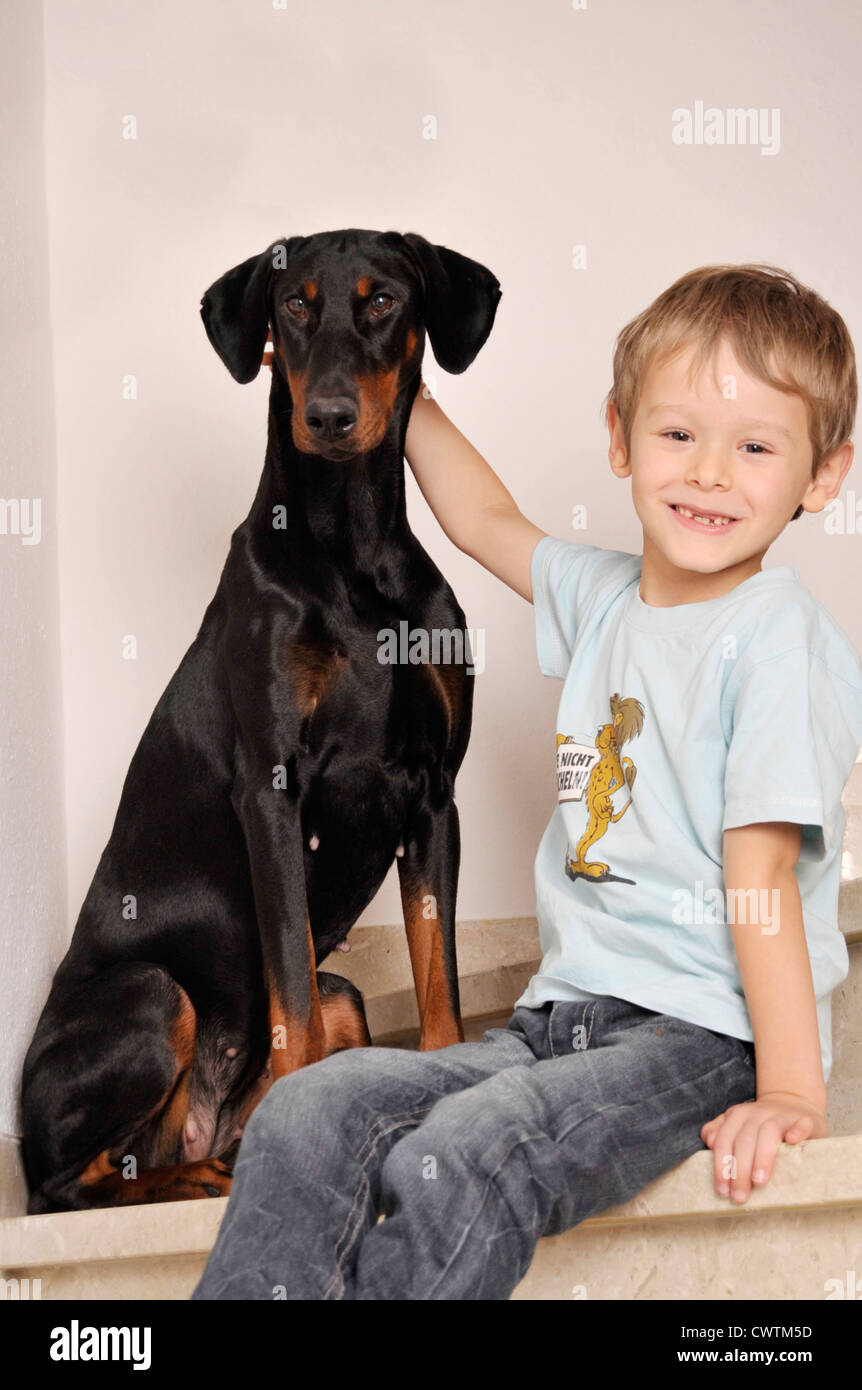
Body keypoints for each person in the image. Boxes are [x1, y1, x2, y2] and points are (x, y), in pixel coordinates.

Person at [192, 263, 862, 1301]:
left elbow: (761, 877)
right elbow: (480, 514)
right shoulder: (605, 600)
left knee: (471, 1146)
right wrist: (384, 366)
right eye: (678, 434)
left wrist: (786, 1086)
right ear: (620, 438)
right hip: (563, 1022)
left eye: (757, 446)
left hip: (703, 1035)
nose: (711, 474)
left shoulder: (778, 638)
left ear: (821, 477)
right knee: (310, 1110)